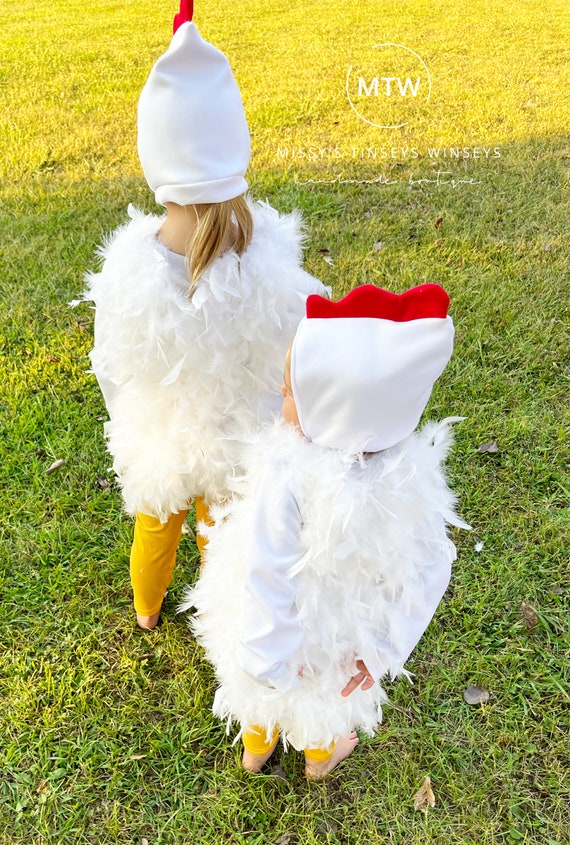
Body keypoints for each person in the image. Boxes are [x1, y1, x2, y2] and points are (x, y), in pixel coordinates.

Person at [81, 0, 328, 629]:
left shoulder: (127, 276)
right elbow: (310, 329)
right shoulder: (268, 259)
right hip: (239, 440)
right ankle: (223, 619)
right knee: (226, 542)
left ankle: (146, 612)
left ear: (156, 166)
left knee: (154, 532)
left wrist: (130, 423)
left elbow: (112, 367)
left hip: (159, 441)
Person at [181, 282, 470, 779]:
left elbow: (266, 565)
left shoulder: (287, 471)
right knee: (326, 700)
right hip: (346, 633)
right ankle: (320, 759)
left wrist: (268, 656)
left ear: (333, 409)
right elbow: (429, 569)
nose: (280, 393)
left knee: (262, 695)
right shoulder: (409, 479)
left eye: (291, 391)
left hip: (272, 626)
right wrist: (384, 646)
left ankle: (256, 750)